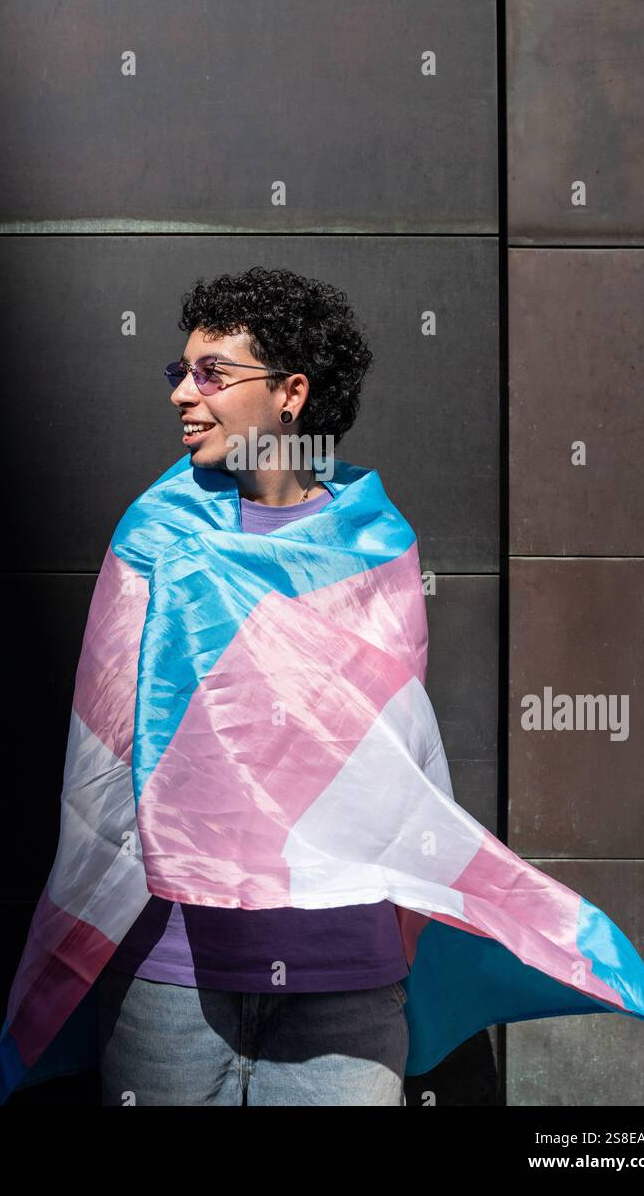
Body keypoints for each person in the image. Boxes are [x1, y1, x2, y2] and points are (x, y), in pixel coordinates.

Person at [97, 264, 411, 1106]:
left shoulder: (377, 546)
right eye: (180, 372)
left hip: (339, 977)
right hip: (178, 972)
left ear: (290, 395)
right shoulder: (154, 535)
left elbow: (378, 756)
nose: (181, 394)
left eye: (212, 374)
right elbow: (112, 736)